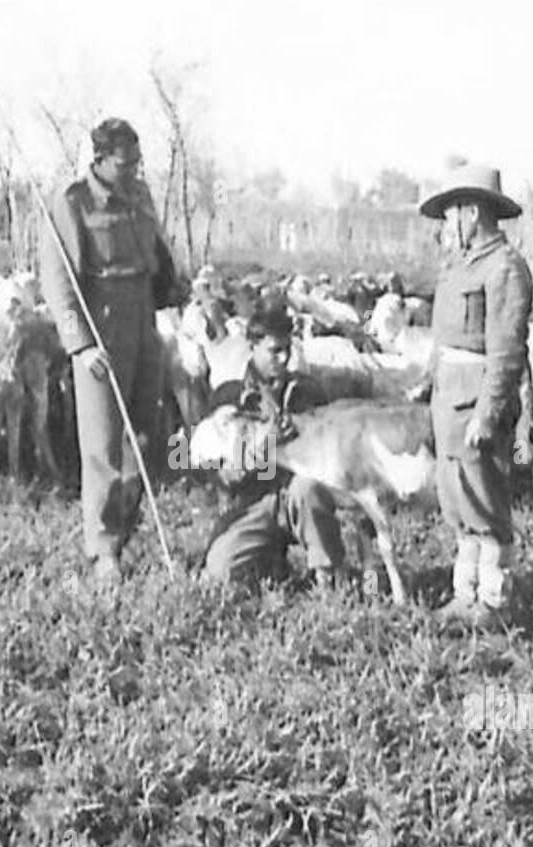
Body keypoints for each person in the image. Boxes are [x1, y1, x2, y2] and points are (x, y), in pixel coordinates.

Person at [39, 118, 177, 583]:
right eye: (126, 163)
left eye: (138, 162)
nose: (135, 171)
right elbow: (58, 281)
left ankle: (126, 528)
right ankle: (102, 551)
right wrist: (79, 346)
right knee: (101, 444)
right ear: (99, 160)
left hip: (143, 318)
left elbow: (156, 258)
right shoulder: (72, 202)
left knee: (142, 436)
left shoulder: (139, 196)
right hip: (102, 325)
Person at [420, 163, 533, 630]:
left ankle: (494, 601)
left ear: (472, 212)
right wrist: (428, 380)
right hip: (448, 398)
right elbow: (444, 338)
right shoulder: (457, 267)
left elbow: (506, 352)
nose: (447, 226)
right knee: (456, 499)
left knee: (485, 501)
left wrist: (488, 415)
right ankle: (463, 595)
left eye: (451, 215)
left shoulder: (504, 268)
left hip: (475, 402)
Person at [201, 305, 346, 586]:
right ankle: (271, 566)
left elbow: (331, 453)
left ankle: (330, 578)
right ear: (252, 346)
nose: (283, 359)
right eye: (274, 351)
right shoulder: (229, 398)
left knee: (308, 487)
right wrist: (263, 445)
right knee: (219, 572)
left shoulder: (308, 391)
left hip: (299, 495)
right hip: (251, 502)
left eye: (287, 350)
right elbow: (223, 477)